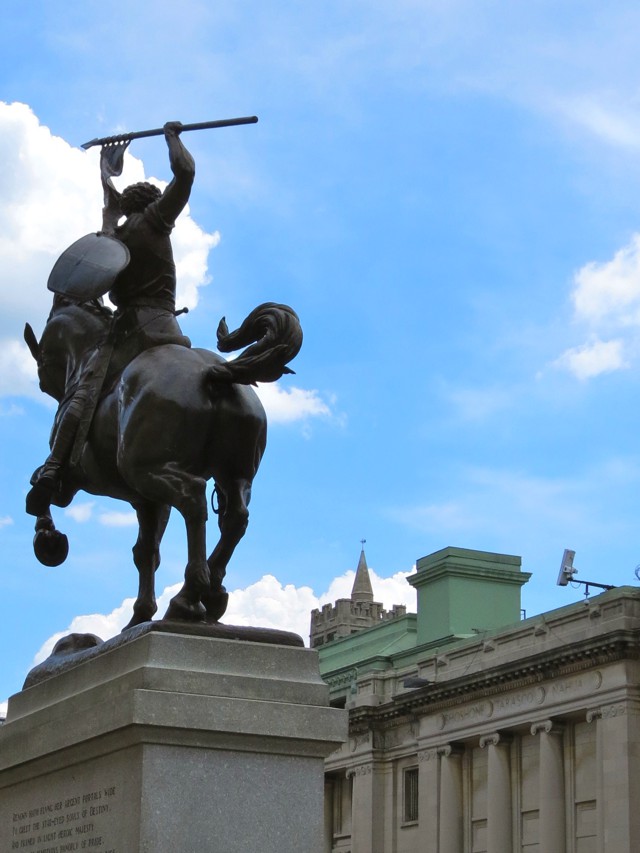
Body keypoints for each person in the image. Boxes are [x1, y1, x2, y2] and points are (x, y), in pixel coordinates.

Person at [26, 122, 195, 516]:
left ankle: (54, 467)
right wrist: (174, 139)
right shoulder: (154, 222)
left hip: (130, 334)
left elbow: (103, 234)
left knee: (83, 392)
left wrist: (107, 172)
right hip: (168, 329)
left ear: (128, 208)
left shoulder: (119, 235)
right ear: (149, 202)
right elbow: (185, 174)